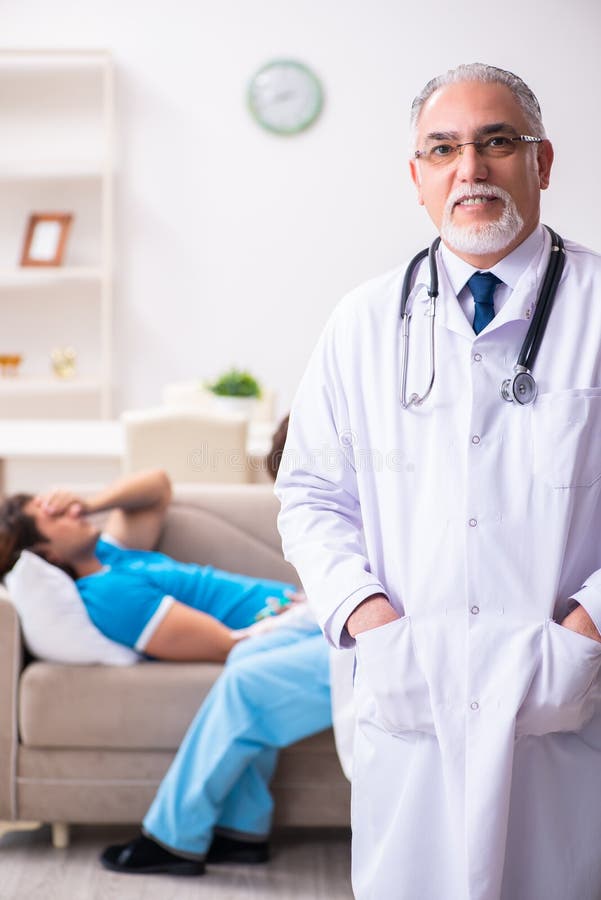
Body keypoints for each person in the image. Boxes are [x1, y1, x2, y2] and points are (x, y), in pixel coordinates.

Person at [275, 62, 601, 900]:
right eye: (443, 148)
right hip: (408, 685)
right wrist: (367, 616)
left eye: (497, 142)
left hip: (566, 697)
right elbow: (310, 494)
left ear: (543, 160)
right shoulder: (361, 323)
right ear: (416, 176)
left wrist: (588, 625)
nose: (471, 168)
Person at [0, 467, 332, 875]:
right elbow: (226, 644)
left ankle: (237, 832)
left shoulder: (109, 552)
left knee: (248, 673)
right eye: (52, 515)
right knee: (245, 671)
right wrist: (293, 618)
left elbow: (157, 485)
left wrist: (90, 502)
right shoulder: (107, 594)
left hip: (306, 617)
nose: (68, 511)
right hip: (297, 623)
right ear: (47, 553)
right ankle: (183, 837)